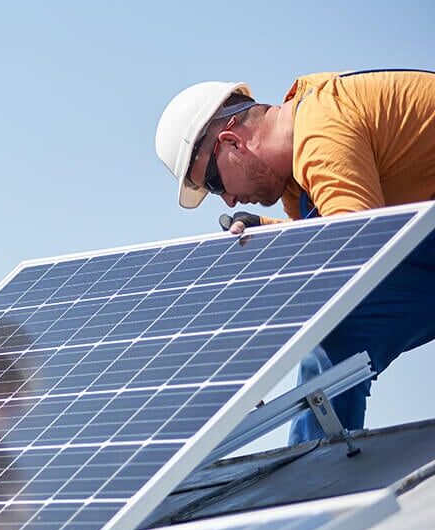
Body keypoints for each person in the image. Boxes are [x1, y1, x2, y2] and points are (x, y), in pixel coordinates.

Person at [155, 70, 435, 444]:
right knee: (337, 339)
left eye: (215, 184)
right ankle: (322, 476)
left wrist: (252, 350)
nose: (229, 201)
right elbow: (331, 240)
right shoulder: (297, 180)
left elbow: (357, 251)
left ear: (232, 142)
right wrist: (270, 238)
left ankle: (321, 475)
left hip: (411, 244)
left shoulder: (321, 129)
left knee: (333, 322)